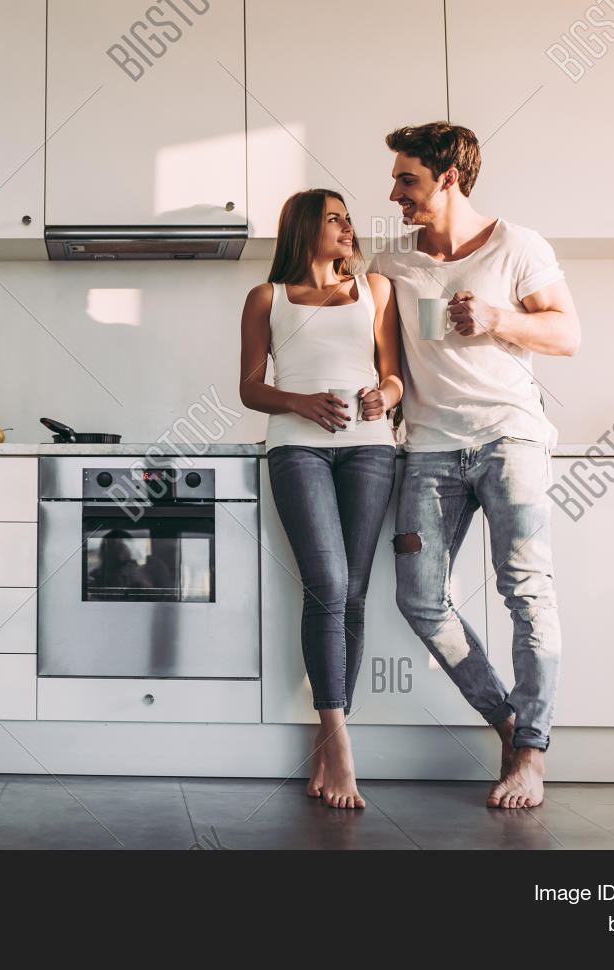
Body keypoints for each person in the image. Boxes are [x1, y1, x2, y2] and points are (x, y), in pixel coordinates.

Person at [371, 122, 581, 808]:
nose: (396, 191)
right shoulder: (392, 264)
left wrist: (498, 319)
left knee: (525, 589)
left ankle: (530, 755)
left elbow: (566, 334)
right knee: (421, 598)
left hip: (509, 439)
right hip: (428, 448)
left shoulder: (519, 245)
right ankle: (510, 722)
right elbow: (385, 360)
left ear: (449, 177)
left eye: (408, 178)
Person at [239, 189, 404, 809]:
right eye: (334, 218)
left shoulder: (375, 291)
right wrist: (300, 402)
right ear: (305, 228)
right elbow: (250, 387)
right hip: (296, 449)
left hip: (370, 448)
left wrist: (383, 397)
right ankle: (339, 747)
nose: (347, 227)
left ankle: (328, 732)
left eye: (347, 218)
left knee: (353, 594)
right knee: (327, 586)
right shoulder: (267, 298)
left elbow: (393, 374)